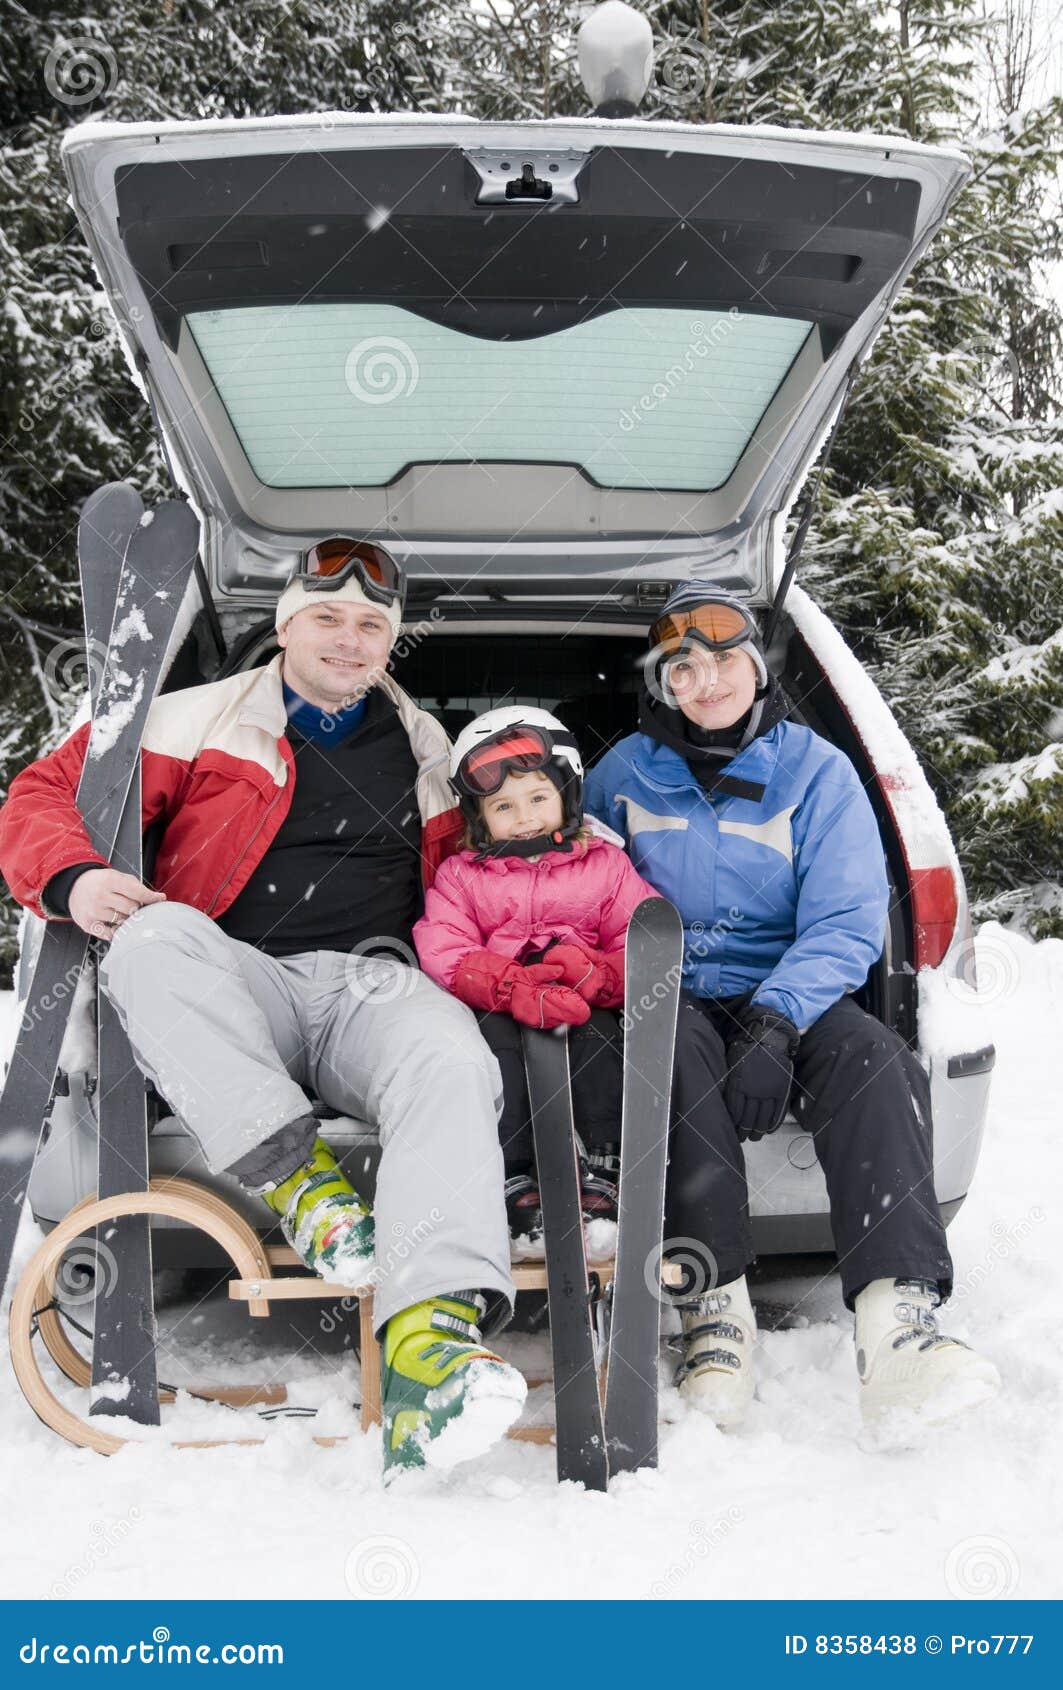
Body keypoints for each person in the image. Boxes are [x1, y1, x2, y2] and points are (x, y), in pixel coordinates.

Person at [0, 537, 527, 1479]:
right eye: (326, 617)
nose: (349, 639)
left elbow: (516, 855)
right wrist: (73, 877)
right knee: (151, 939)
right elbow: (42, 792)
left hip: (375, 984)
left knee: (450, 1058)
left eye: (370, 625)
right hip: (239, 975)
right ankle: (307, 1193)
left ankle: (430, 1351)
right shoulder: (193, 719)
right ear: (286, 626)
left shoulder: (432, 753)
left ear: (390, 642)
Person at [582, 584, 1001, 1431]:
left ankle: (897, 1325)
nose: (706, 682)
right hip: (669, 989)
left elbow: (846, 918)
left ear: (757, 668)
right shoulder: (621, 774)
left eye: (723, 661)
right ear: (661, 684)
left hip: (791, 985)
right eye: (682, 669)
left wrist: (775, 1020)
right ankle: (716, 1311)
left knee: (873, 1059)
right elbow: (580, 891)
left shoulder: (817, 771)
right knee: (672, 1057)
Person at [413, 707, 659, 1245]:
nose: (524, 817)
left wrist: (598, 976)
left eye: (538, 798)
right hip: (500, 1003)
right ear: (479, 817)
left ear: (567, 798)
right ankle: (515, 1169)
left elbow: (638, 939)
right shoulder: (461, 875)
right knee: (493, 1051)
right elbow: (445, 945)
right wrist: (504, 984)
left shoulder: (605, 865)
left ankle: (604, 1161)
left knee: (602, 1043)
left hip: (583, 1002)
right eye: (503, 806)